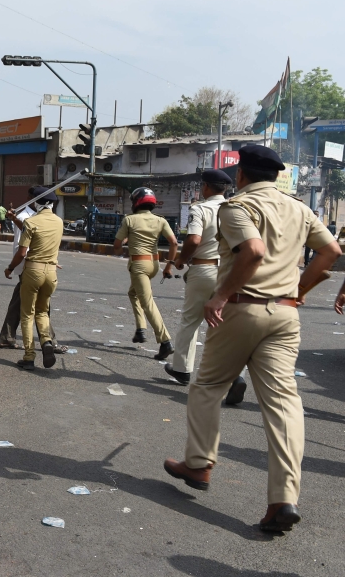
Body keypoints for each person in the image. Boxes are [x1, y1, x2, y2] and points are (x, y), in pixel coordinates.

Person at [164, 145, 340, 533]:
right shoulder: (300, 208)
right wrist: (301, 288)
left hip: (241, 309)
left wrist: (221, 295)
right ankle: (284, 498)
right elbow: (331, 251)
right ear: (276, 176)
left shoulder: (237, 207)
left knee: (208, 385)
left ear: (241, 175)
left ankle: (198, 463)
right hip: (286, 314)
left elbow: (253, 251)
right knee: (283, 405)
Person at [164, 169, 231, 386]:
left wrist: (181, 260)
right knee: (224, 325)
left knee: (191, 320)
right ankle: (231, 375)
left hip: (204, 270)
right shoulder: (236, 209)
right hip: (230, 272)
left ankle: (182, 369)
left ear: (206, 187)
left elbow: (193, 240)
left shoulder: (201, 208)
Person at [113, 187, 178, 361]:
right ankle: (141, 329)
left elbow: (117, 245)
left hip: (139, 265)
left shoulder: (130, 219)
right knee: (133, 293)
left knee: (148, 302)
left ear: (135, 202)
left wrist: (126, 239)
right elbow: (174, 243)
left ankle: (165, 341)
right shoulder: (160, 220)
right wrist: (169, 266)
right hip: (154, 264)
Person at [3, 186, 64, 370]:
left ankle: (29, 356)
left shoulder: (32, 221)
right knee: (43, 311)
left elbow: (22, 252)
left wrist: (10, 268)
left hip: (33, 272)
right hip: (51, 273)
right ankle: (46, 341)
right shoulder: (59, 222)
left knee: (27, 314)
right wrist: (15, 219)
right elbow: (36, 232)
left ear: (36, 203)